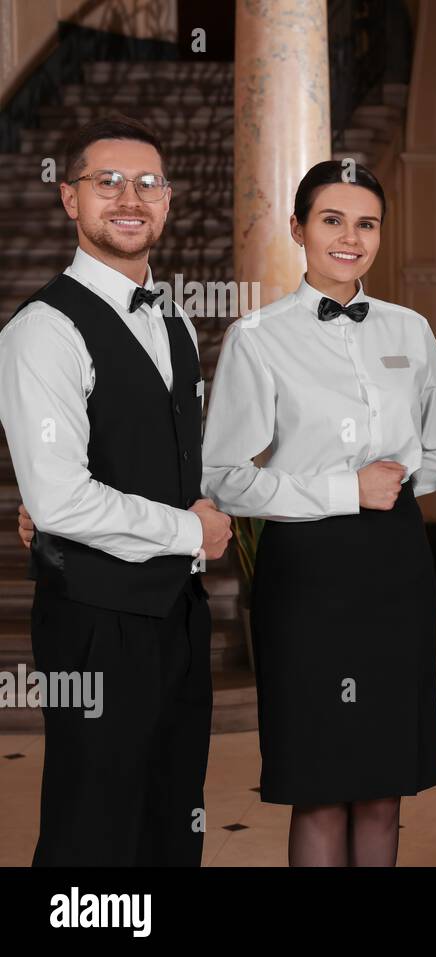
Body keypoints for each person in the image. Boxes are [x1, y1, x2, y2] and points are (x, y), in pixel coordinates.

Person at [199, 160, 436, 866]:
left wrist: (406, 481)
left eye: (367, 223)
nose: (351, 237)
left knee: (383, 787)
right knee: (319, 785)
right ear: (298, 227)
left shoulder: (410, 330)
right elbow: (223, 478)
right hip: (307, 574)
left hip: (396, 566)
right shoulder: (257, 337)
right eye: (332, 219)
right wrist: (345, 490)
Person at [1, 114, 231, 865]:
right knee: (91, 827)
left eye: (148, 183)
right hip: (94, 619)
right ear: (71, 199)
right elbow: (62, 498)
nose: (130, 197)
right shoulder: (42, 329)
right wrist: (190, 532)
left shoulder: (176, 322)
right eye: (108, 182)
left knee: (173, 816)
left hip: (178, 614)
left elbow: (174, 460)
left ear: (167, 200)